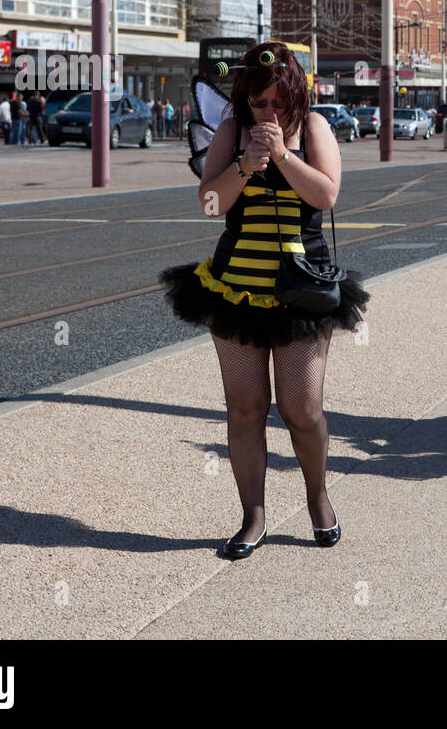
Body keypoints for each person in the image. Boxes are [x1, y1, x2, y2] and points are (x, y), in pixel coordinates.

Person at [159, 42, 369, 559]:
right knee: (246, 409)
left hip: (301, 292)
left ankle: (317, 496)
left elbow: (326, 195)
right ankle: (252, 516)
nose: (268, 113)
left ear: (295, 95)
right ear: (244, 99)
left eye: (277, 103)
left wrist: (281, 156)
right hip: (234, 287)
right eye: (258, 103)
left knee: (302, 407)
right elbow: (211, 204)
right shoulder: (231, 132)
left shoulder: (314, 127)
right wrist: (243, 166)